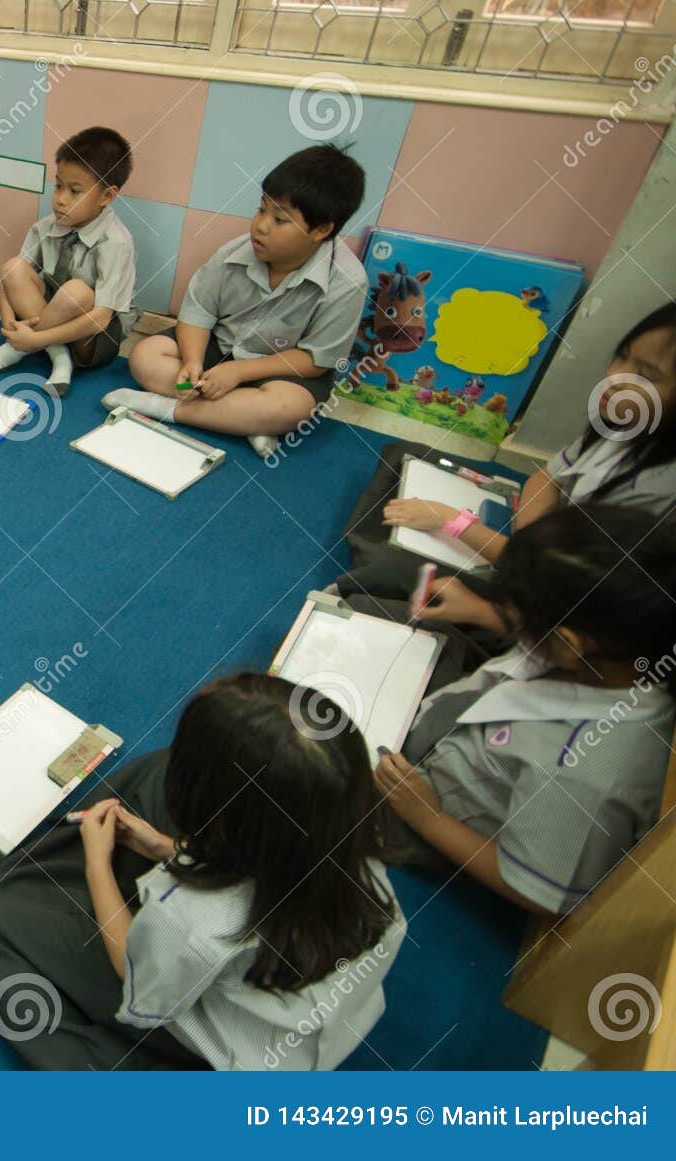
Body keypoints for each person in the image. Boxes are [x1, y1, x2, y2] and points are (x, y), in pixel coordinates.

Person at [0, 673, 403, 1069]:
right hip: (308, 1011)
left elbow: (133, 973)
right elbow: (274, 866)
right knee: (153, 776)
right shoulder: (357, 845)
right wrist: (165, 848)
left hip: (239, 1052)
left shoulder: (192, 919)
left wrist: (96, 864)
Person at [374, 503, 676, 915]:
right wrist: (480, 612)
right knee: (372, 602)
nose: (511, 621)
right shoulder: (616, 653)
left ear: (566, 644)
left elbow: (538, 893)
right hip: (448, 730)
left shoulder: (583, 773)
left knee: (303, 762)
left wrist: (429, 817)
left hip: (435, 811)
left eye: (515, 616)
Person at [338, 299, 676, 602]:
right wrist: (524, 536)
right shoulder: (622, 426)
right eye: (622, 356)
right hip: (531, 544)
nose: (615, 377)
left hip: (545, 591)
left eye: (646, 375)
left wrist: (453, 521)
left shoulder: (655, 492)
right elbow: (547, 477)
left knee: (391, 568)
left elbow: (555, 579)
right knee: (406, 454)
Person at [104, 144, 368, 458]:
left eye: (280, 219)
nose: (261, 225)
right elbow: (198, 312)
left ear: (321, 230)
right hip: (219, 349)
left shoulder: (349, 281)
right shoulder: (234, 252)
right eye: (262, 209)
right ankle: (241, 420)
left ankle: (167, 408)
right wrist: (192, 361)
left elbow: (314, 360)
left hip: (281, 371)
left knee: (288, 408)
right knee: (144, 355)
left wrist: (239, 373)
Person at [0, 126, 135, 397]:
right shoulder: (46, 227)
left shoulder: (116, 242)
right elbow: (9, 281)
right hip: (48, 315)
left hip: (92, 338)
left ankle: (18, 351)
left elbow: (100, 319)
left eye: (75, 191)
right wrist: (10, 325)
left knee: (76, 291)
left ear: (107, 196)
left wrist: (33, 340)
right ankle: (58, 357)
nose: (60, 200)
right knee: (13, 267)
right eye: (58, 186)